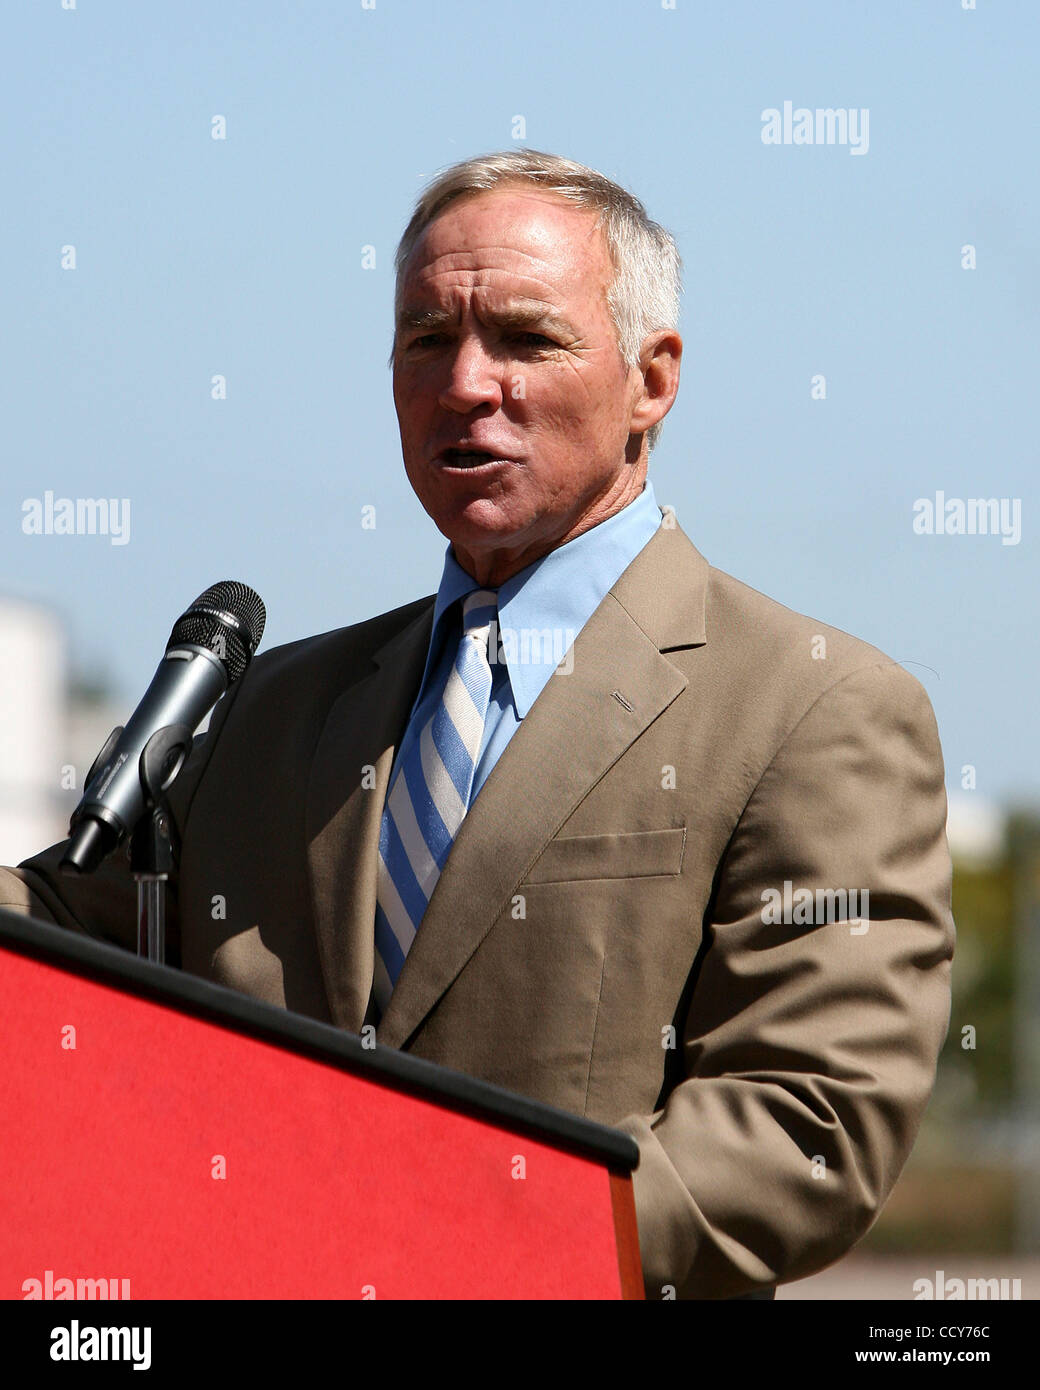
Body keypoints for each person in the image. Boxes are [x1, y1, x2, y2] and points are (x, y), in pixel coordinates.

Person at [0, 149, 955, 1300]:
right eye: (423, 339)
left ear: (651, 381)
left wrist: (451, 1244)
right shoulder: (266, 712)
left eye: (523, 338)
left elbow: (805, 1121)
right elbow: (50, 930)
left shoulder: (810, 708)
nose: (463, 383)